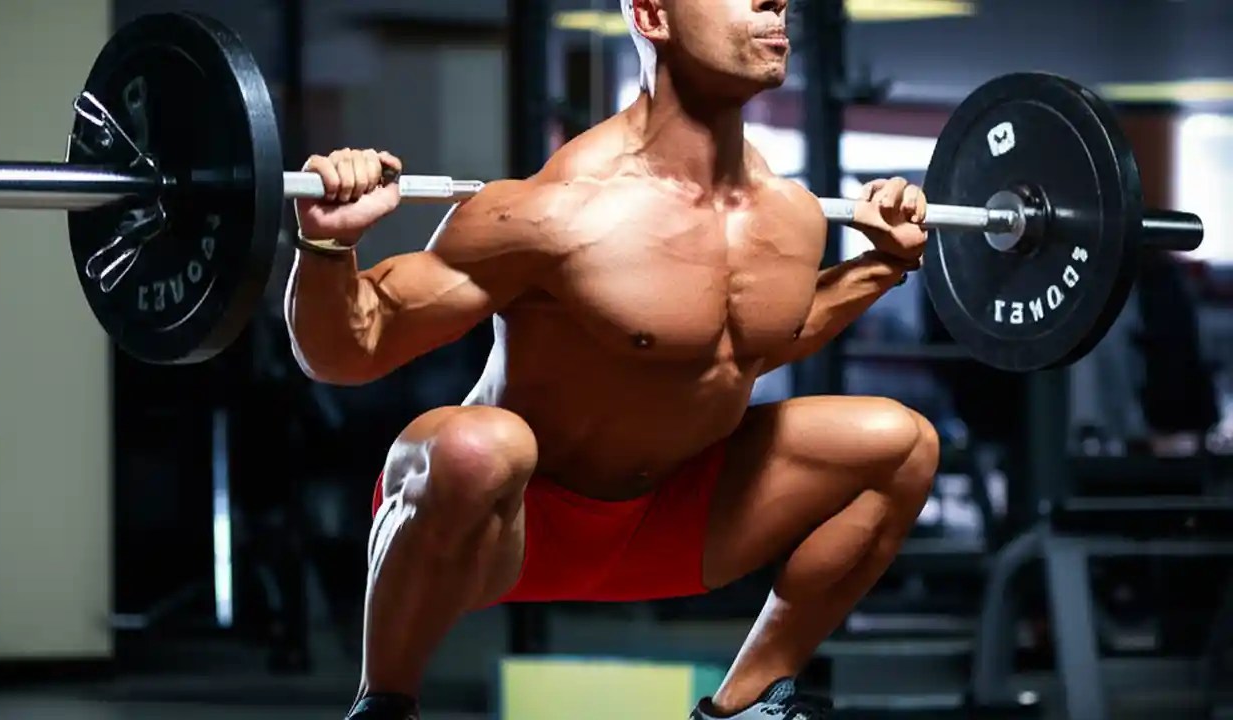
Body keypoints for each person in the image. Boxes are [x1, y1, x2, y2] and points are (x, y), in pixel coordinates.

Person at [286, 0, 938, 717]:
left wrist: (882, 267)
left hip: (674, 520)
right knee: (478, 446)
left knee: (902, 444)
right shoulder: (556, 210)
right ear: (653, 15)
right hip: (505, 527)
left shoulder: (791, 214)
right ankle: (383, 702)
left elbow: (757, 340)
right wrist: (327, 247)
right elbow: (348, 353)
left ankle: (745, 705)